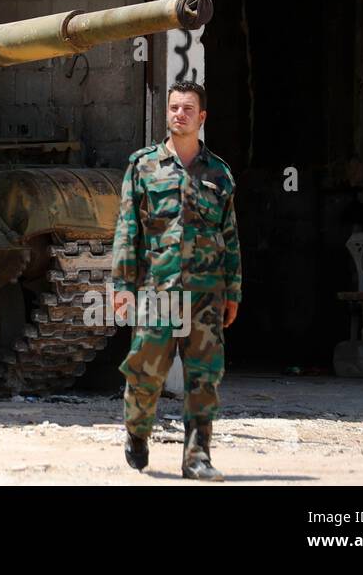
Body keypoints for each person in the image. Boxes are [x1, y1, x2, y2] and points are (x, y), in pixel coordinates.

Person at [111, 80, 241, 481]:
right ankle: (137, 432)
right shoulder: (143, 165)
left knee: (204, 377)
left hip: (207, 294)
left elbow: (231, 234)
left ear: (201, 117)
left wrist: (233, 291)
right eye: (173, 108)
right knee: (145, 374)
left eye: (187, 108)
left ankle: (197, 457)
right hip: (158, 291)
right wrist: (122, 287)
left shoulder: (219, 173)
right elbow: (126, 229)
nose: (178, 114)